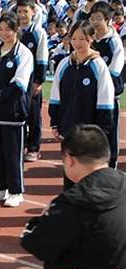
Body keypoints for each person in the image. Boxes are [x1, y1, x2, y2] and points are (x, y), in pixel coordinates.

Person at [20, 124, 125, 269]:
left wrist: (46, 216)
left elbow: (35, 242)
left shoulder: (73, 203)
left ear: (69, 159)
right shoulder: (123, 184)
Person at [48, 20, 115, 190]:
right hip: (69, 131)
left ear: (91, 39)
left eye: (82, 39)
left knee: (90, 178)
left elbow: (105, 101)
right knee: (70, 176)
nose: (77, 44)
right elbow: (56, 96)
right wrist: (55, 122)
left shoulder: (98, 66)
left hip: (90, 134)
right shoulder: (64, 65)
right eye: (74, 39)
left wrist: (101, 130)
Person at [0, 12, 33, 207]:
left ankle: (16, 191)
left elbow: (19, 85)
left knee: (12, 153)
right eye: (0, 29)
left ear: (16, 30)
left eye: (8, 30)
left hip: (13, 113)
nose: (4, 33)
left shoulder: (24, 54)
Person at [90, 1, 125, 169]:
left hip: (108, 96)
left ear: (107, 19)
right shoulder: (89, 38)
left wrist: (101, 85)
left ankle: (111, 166)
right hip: (89, 95)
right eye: (92, 18)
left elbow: (115, 70)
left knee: (109, 133)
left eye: (99, 18)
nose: (95, 22)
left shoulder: (114, 41)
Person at [16, 0, 48, 162]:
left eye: (25, 11)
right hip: (17, 81)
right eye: (19, 11)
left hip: (32, 81)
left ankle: (34, 147)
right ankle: (20, 145)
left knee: (34, 116)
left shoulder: (38, 32)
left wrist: (39, 80)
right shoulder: (14, 30)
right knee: (19, 113)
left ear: (33, 12)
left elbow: (42, 57)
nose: (22, 15)